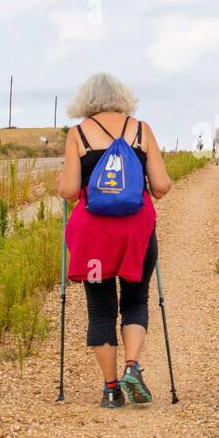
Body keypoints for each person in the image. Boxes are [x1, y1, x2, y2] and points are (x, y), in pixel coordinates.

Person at [56, 72, 171, 410]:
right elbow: (162, 186)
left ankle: (110, 391)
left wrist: (62, 183)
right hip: (136, 231)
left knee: (101, 307)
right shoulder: (140, 129)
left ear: (85, 101)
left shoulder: (78, 134)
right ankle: (132, 368)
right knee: (136, 298)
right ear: (123, 97)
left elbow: (69, 192)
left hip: (93, 237)